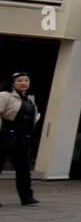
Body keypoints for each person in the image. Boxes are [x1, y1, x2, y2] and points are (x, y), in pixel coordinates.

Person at [0, 72, 41, 206]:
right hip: (5, 136)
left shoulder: (29, 99)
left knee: (24, 169)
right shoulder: (5, 96)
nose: (24, 83)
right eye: (19, 81)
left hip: (22, 138)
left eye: (26, 81)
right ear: (12, 83)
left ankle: (27, 197)